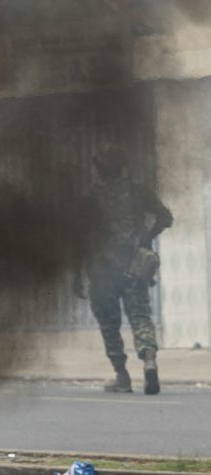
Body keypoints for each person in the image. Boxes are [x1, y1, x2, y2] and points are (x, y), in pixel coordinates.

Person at [77, 148, 172, 395]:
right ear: (122, 169)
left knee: (109, 324)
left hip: (102, 270)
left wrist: (76, 275)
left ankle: (122, 376)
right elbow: (165, 217)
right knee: (141, 316)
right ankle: (149, 362)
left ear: (99, 171)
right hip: (134, 265)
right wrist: (144, 239)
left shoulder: (90, 198)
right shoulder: (139, 191)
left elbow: (79, 239)